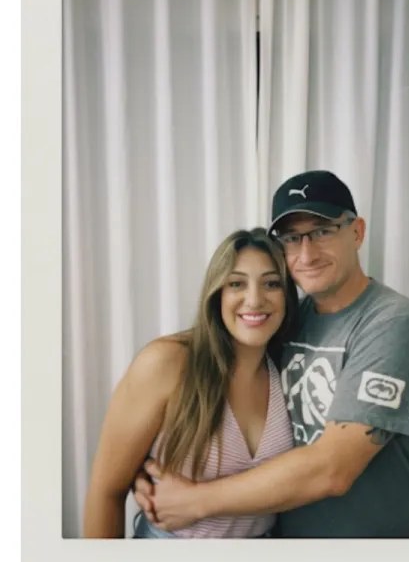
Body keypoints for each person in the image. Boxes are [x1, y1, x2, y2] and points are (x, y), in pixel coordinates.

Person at [134, 170, 409, 538]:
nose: (307, 254)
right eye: (292, 238)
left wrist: (194, 501)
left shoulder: (394, 325)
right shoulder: (285, 320)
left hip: (375, 553)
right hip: (286, 549)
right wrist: (150, 475)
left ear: (357, 232)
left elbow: (333, 469)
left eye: (323, 231)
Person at [83, 228, 298, 538]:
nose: (254, 299)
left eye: (272, 283)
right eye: (236, 283)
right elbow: (106, 491)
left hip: (261, 557)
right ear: (217, 293)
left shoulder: (290, 366)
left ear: (287, 296)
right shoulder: (167, 363)